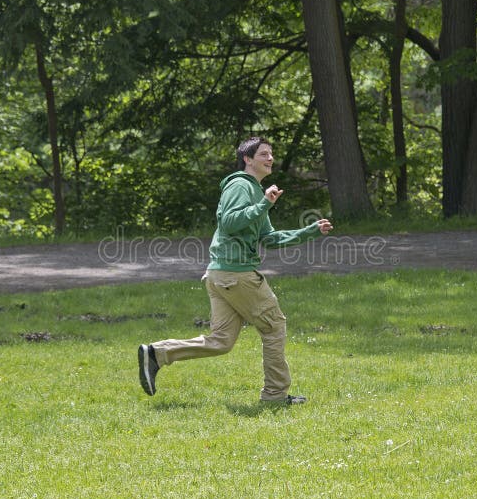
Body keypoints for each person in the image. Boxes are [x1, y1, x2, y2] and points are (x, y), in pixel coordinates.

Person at [138, 136, 333, 405]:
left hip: (221, 275)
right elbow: (229, 223)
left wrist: (310, 231)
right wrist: (264, 203)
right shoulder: (240, 185)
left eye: (271, 154)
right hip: (236, 273)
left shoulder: (256, 191)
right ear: (248, 159)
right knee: (274, 325)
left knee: (221, 341)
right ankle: (275, 396)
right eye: (264, 154)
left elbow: (270, 238)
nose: (270, 158)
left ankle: (156, 354)